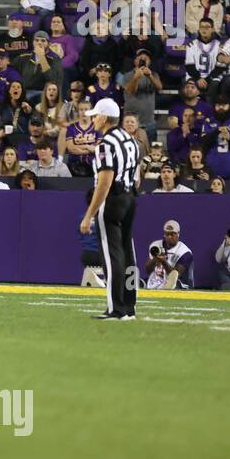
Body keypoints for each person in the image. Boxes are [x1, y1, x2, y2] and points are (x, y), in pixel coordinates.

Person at [79, 98, 142, 320]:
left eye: (96, 115)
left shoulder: (105, 144)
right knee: (128, 252)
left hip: (113, 198)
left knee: (111, 253)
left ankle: (116, 308)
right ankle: (129, 306)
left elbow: (105, 179)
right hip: (130, 197)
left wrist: (88, 215)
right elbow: (137, 177)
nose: (93, 119)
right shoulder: (131, 140)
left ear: (104, 118)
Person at [144, 219, 193, 289]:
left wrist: (164, 262)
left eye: (172, 234)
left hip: (178, 283)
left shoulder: (184, 252)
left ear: (178, 234)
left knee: (175, 283)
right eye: (167, 234)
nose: (169, 237)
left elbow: (175, 276)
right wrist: (155, 258)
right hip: (158, 281)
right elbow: (148, 270)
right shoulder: (156, 245)